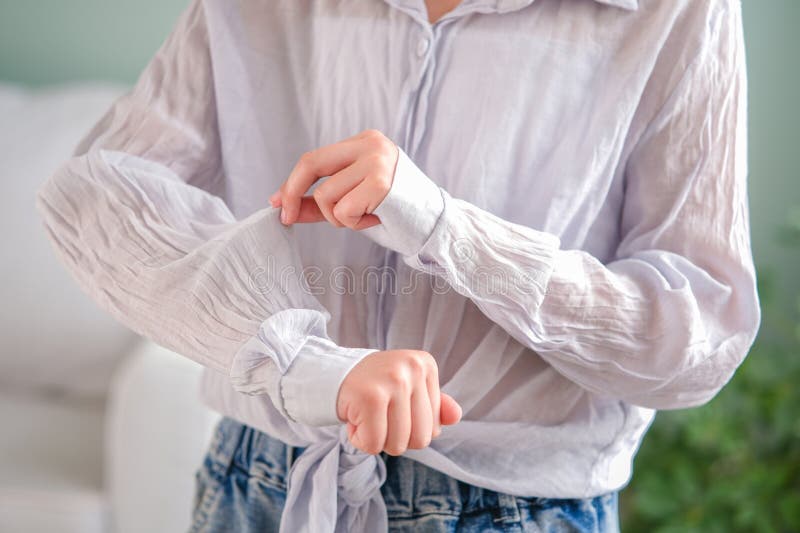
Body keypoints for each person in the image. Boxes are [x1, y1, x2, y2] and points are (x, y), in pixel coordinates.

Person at [36, 0, 760, 531]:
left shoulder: (675, 12)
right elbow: (98, 195)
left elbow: (697, 334)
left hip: (523, 509)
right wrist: (308, 363)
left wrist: (444, 226)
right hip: (257, 487)